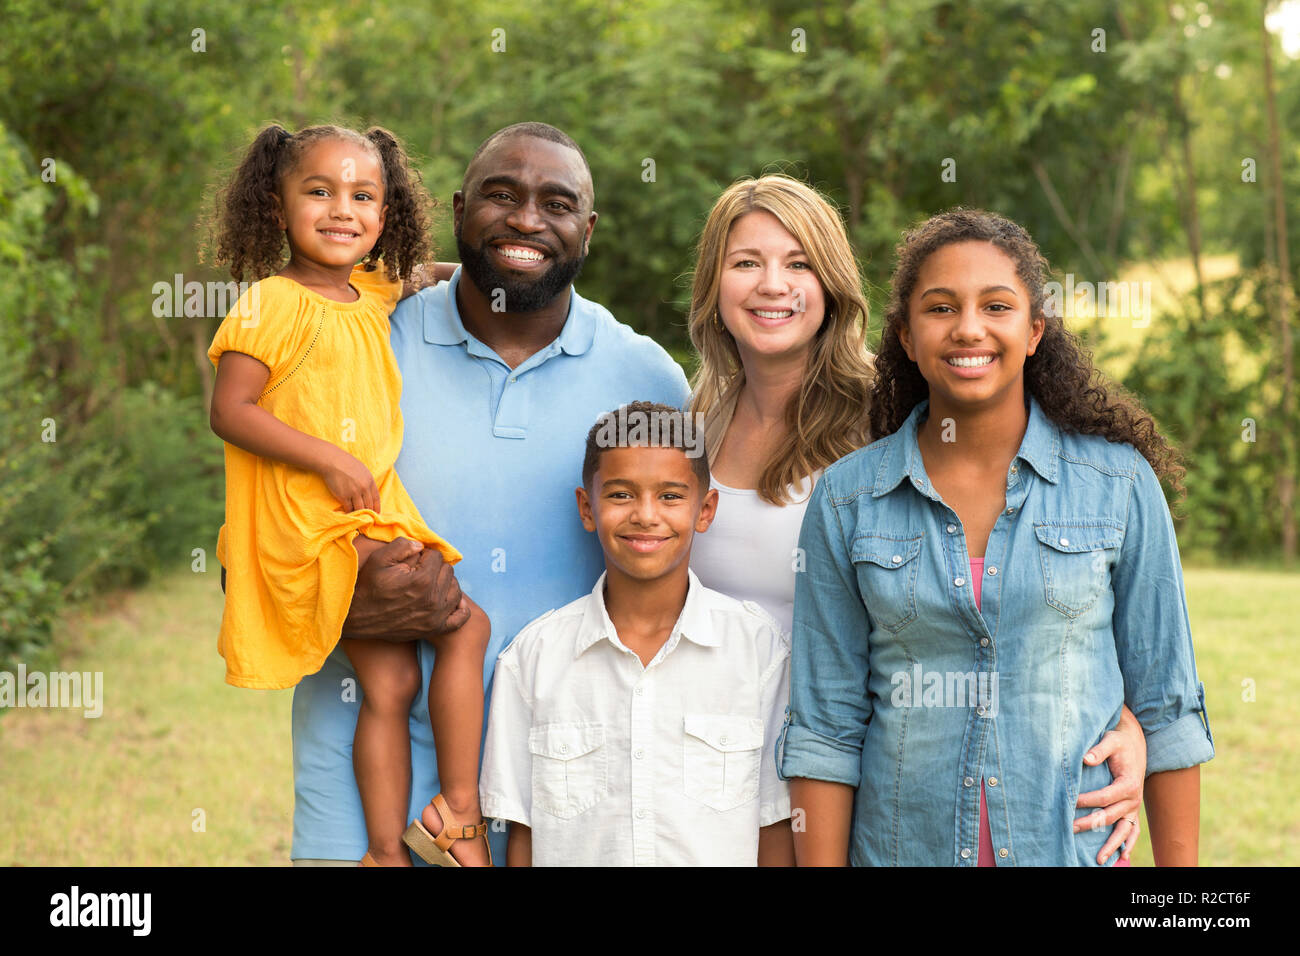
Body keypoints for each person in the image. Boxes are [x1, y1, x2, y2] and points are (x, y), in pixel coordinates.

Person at [687, 176, 1149, 863]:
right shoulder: (691, 418)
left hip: (863, 778)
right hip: (710, 757)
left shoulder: (894, 421)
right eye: (746, 262)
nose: (771, 284)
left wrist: (1126, 721)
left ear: (834, 284)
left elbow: (1039, 583)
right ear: (714, 286)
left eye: (798, 262)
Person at [286, 123, 689, 865]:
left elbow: (689, 585)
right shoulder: (361, 341)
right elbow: (249, 557)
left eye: (556, 203)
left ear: (588, 229)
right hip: (362, 786)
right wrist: (341, 598)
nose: (527, 220)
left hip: (571, 795)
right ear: (460, 206)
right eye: (501, 195)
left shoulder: (649, 381)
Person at [781, 208, 1214, 866]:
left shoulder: (1118, 486)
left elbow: (1169, 709)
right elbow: (825, 730)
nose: (969, 329)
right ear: (905, 334)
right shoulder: (846, 501)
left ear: (1034, 329)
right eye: (941, 307)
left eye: (997, 305)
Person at [206, 123, 492, 867]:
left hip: (362, 515)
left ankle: (383, 850)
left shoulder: (369, 291)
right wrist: (327, 456)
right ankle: (458, 816)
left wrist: (493, 263)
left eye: (364, 195)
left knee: (393, 681)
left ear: (385, 212)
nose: (343, 210)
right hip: (315, 524)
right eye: (320, 192)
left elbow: (426, 273)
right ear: (277, 207)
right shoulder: (271, 302)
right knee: (467, 627)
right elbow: (230, 410)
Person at [478, 402, 793, 865]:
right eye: (621, 495)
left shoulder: (760, 653)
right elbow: (522, 836)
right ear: (587, 508)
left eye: (670, 496)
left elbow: (776, 825)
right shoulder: (532, 660)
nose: (646, 515)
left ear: (705, 510)